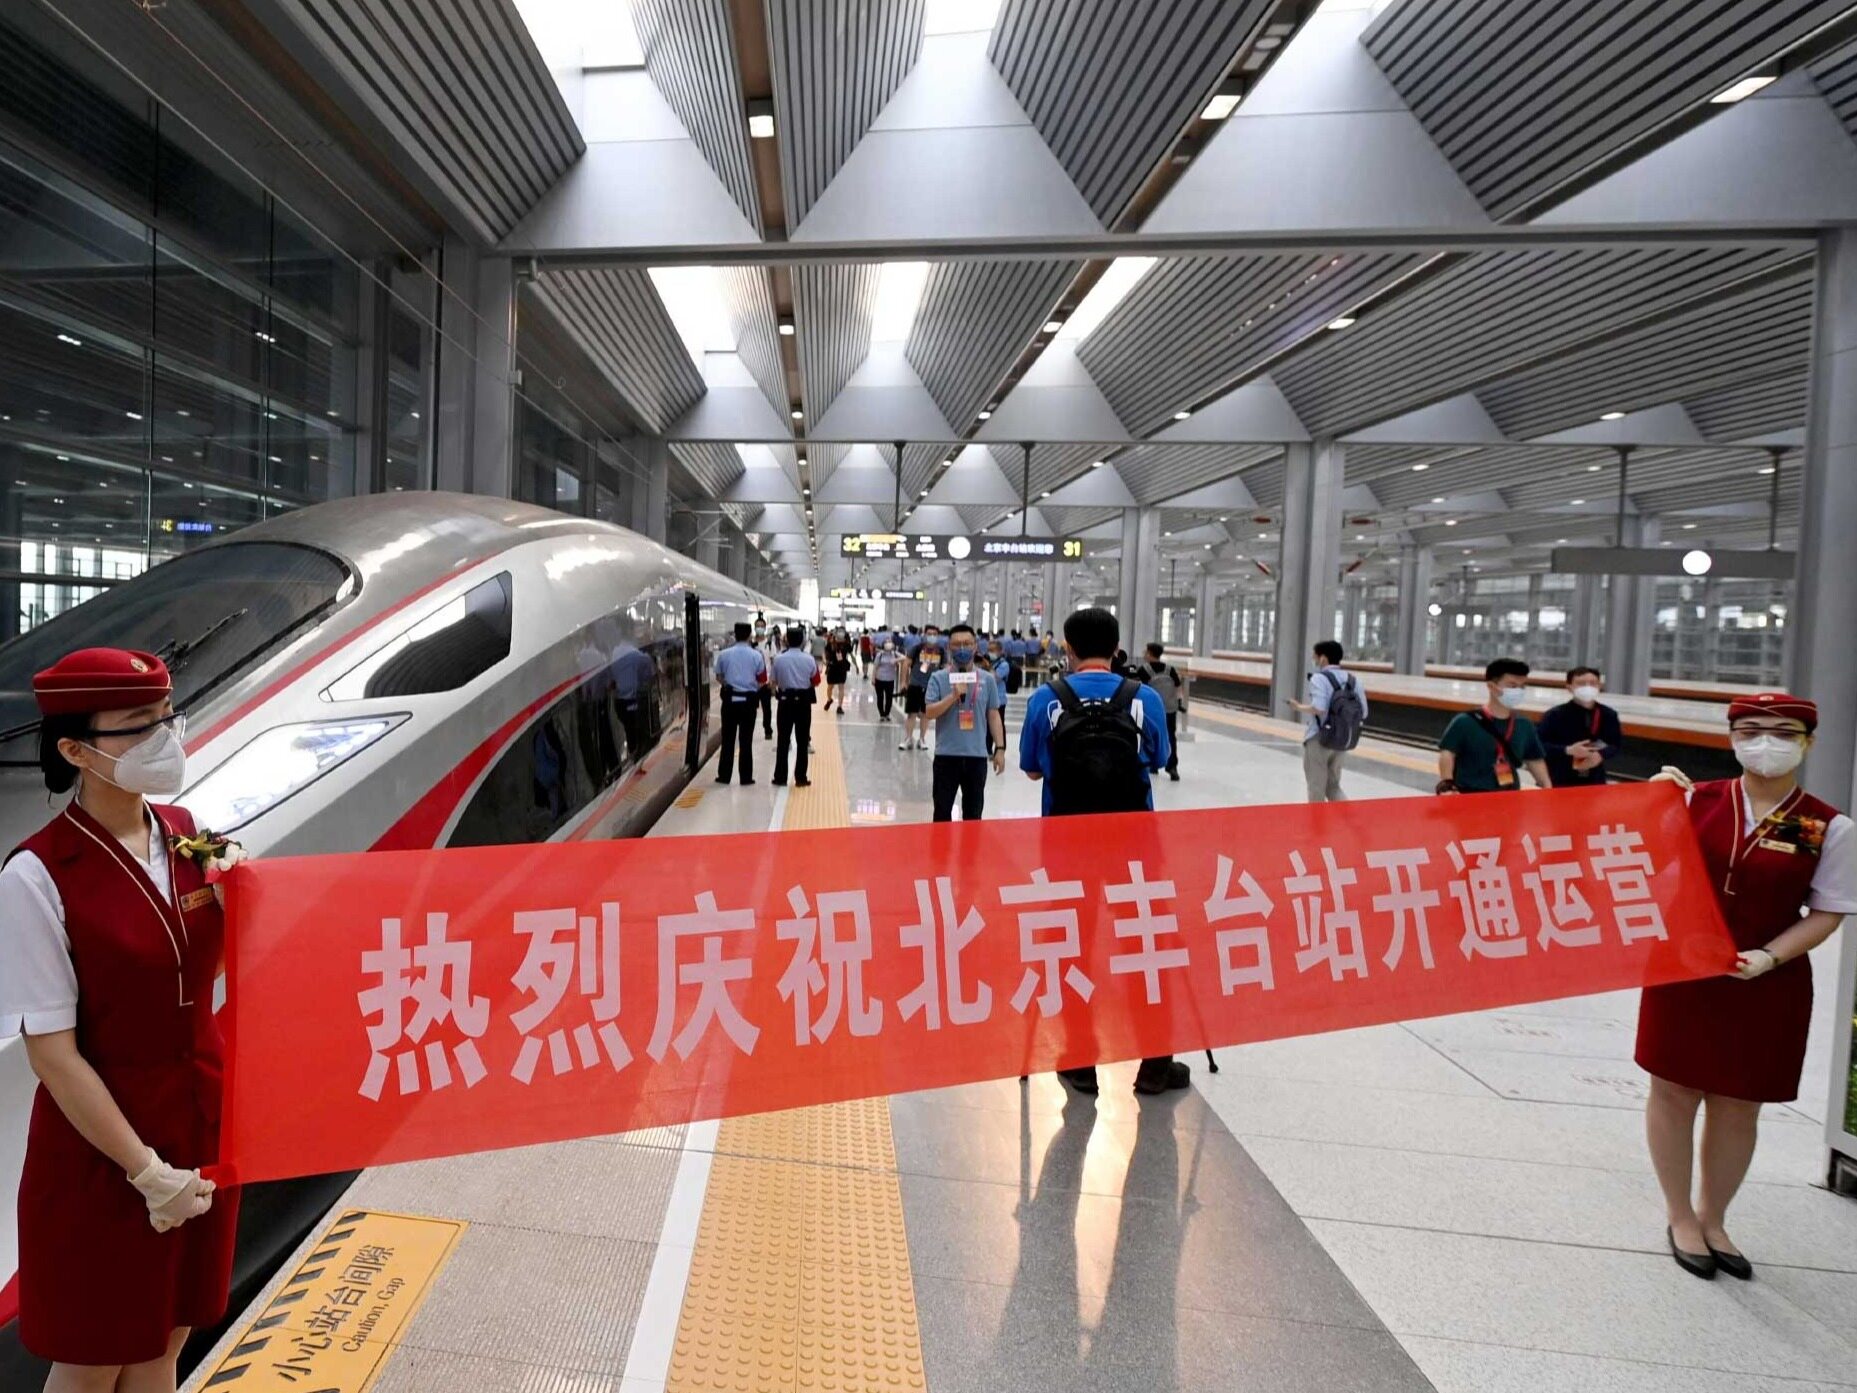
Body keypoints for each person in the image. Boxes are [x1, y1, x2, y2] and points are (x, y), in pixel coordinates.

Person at [0, 648, 238, 1392]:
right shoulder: (36, 875)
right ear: (74, 750)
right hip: (102, 1160)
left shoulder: (188, 836)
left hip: (198, 1129)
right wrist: (144, 1171)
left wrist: (244, 912)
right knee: (93, 1357)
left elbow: (189, 983)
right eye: (136, 727)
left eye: (165, 718)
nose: (162, 739)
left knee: (164, 1341)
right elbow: (54, 1056)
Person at [1639, 694, 1853, 1280]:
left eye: (1783, 732)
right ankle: (1680, 1214)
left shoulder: (1827, 826)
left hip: (1767, 982)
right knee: (1674, 1090)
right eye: (1751, 730)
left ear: (1807, 742)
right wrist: (1647, 806)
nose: (1766, 742)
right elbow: (1641, 867)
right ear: (1731, 737)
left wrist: (1769, 956)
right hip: (1682, 969)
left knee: (1740, 1103)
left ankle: (1715, 1216)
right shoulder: (1691, 799)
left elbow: (1827, 911)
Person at [1019, 607, 1182, 1098]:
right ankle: (1155, 1065)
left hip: (1067, 847)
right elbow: (1160, 758)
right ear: (1116, 648)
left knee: (1074, 947)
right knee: (1144, 947)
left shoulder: (1047, 699)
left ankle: (1079, 1060)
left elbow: (1031, 769)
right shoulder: (1144, 697)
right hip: (1134, 847)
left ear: (1066, 648)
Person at [923, 624, 1006, 821]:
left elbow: (994, 715)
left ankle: (971, 852)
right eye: (957, 644)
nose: (962, 649)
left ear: (975, 646)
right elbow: (930, 711)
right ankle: (941, 852)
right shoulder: (938, 678)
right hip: (946, 756)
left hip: (976, 757)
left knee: (973, 814)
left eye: (967, 644)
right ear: (949, 648)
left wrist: (1000, 748)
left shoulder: (987, 679)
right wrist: (953, 696)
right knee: (942, 813)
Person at [1436, 657, 1551, 794]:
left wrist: (1547, 788)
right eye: (1512, 686)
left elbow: (1534, 759)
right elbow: (1447, 753)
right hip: (1469, 795)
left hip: (1509, 796)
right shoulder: (1465, 721)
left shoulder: (1524, 725)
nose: (1519, 691)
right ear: (1491, 686)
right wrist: (1448, 784)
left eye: (1522, 687)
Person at [1289, 639, 1367, 802]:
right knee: (1333, 787)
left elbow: (1319, 707)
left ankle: (1317, 827)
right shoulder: (1354, 680)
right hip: (1343, 739)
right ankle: (1352, 820)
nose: (1314, 660)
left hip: (1319, 739)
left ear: (1323, 658)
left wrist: (1298, 707)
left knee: (1316, 788)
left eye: (1315, 657)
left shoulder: (1319, 678)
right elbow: (1364, 712)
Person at [1537, 664, 1623, 786]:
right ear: (1569, 687)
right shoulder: (1554, 715)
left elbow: (1615, 744)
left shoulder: (1608, 714)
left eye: (1593, 683)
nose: (1588, 687)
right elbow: (1539, 745)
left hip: (1594, 778)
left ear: (1599, 686)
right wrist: (1568, 750)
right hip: (1559, 778)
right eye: (1581, 683)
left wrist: (1600, 755)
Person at [712, 621, 766, 785]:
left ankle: (724, 776)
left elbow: (719, 677)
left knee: (727, 739)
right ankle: (746, 777)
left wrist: (729, 685)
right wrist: (751, 687)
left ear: (735, 635)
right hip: (748, 703)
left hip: (729, 702)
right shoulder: (757, 655)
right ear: (750, 635)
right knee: (746, 740)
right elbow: (762, 680)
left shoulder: (724, 654)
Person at [771, 626, 820, 787]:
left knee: (783, 741)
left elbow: (773, 682)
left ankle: (780, 777)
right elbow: (816, 681)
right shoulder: (809, 659)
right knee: (802, 740)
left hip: (785, 703)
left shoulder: (778, 659)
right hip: (803, 704)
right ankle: (800, 778)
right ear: (802, 641)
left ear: (786, 640)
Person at [1137, 641, 1186, 782]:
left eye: (1145, 651)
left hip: (1151, 710)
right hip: (1170, 709)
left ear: (1150, 653)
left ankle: (1153, 764)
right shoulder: (1170, 669)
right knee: (1171, 736)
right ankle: (1172, 767)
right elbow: (1178, 687)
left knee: (1149, 735)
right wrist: (1178, 703)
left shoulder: (1143, 670)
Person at [901, 624, 941, 751]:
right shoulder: (917, 649)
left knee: (926, 714)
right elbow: (906, 664)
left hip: (931, 687)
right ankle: (908, 738)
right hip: (915, 684)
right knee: (911, 713)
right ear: (924, 634)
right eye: (929, 634)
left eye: (934, 634)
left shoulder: (941, 650)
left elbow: (945, 668)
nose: (932, 637)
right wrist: (904, 682)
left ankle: (922, 739)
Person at [871, 635, 901, 722]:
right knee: (880, 697)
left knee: (889, 698)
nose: (888, 644)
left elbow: (904, 657)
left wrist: (896, 660)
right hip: (879, 679)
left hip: (890, 680)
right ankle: (882, 714)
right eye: (886, 642)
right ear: (883, 644)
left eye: (890, 642)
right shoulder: (879, 655)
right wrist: (873, 678)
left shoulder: (894, 654)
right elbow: (875, 667)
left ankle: (887, 714)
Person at [823, 632, 851, 714]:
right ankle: (832, 701)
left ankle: (838, 705)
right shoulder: (831, 645)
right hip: (836, 668)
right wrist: (825, 661)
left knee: (837, 687)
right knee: (834, 687)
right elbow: (825, 654)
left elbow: (851, 654)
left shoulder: (844, 645)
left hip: (838, 668)